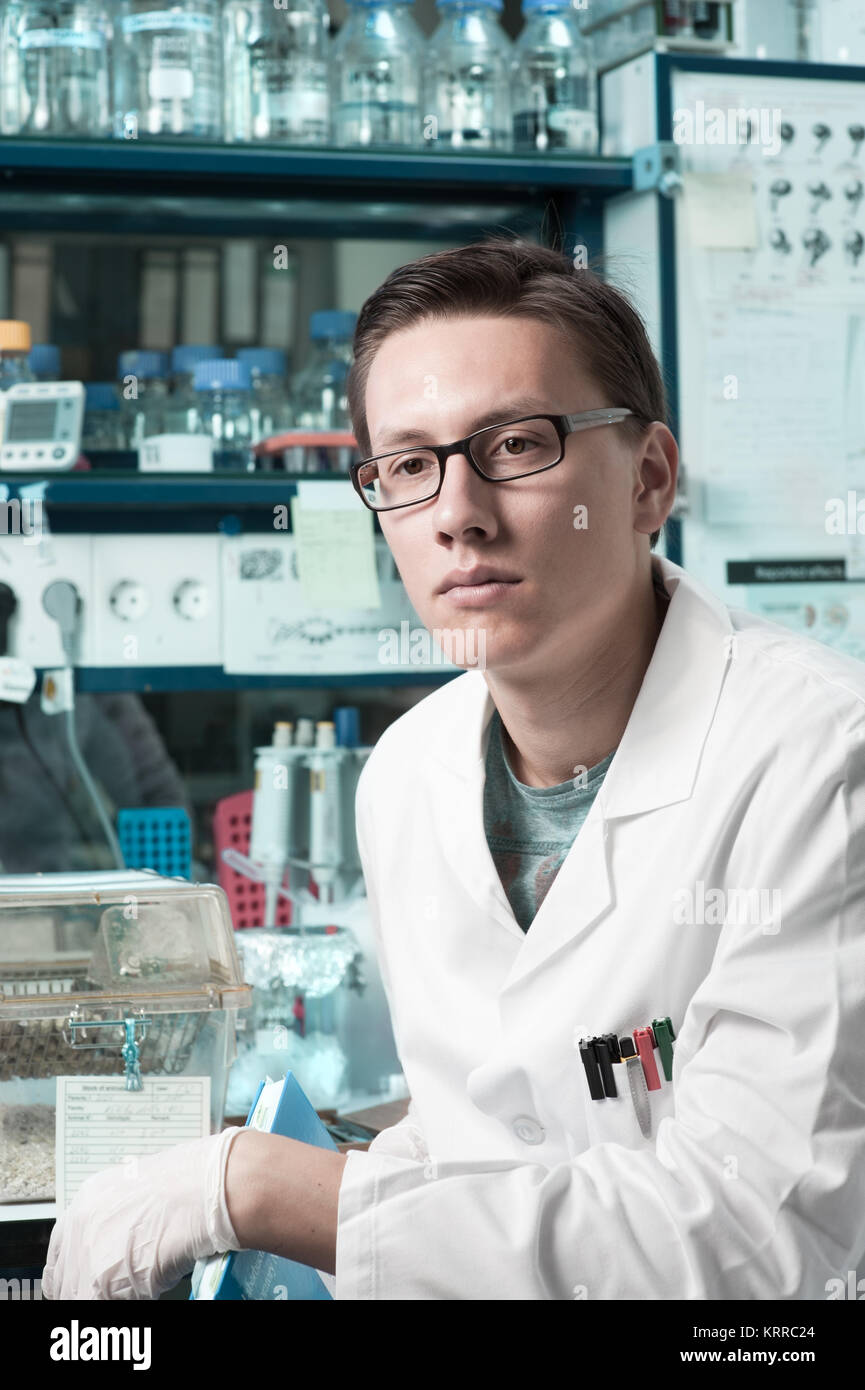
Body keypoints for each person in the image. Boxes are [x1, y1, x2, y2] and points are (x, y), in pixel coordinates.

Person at [43, 237, 865, 1301]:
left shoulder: (817, 761)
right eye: (408, 465)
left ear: (649, 477)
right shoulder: (411, 771)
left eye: (516, 445)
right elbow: (492, 1127)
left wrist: (255, 1184)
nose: (456, 511)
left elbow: (754, 1238)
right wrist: (362, 1183)